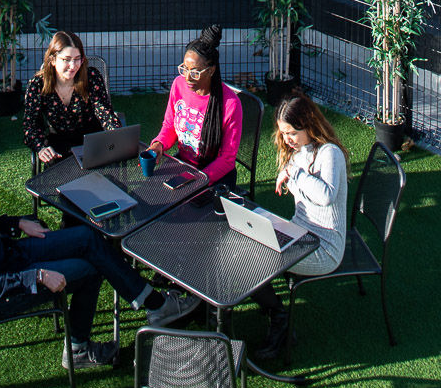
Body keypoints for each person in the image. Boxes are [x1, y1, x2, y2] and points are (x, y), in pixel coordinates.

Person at [0, 130, 196, 369]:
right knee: (90, 271)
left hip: (6, 253)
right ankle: (78, 349)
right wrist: (38, 276)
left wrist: (18, 223)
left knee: (87, 237)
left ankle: (152, 302)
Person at [251, 93, 349, 363]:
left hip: (325, 247)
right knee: (248, 243)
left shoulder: (330, 153)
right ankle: (276, 312)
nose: (287, 139)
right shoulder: (297, 154)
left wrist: (295, 174)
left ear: (310, 125)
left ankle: (279, 320)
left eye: (293, 132)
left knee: (256, 261)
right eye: (284, 133)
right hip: (300, 233)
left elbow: (326, 195)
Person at [147, 24, 242, 185]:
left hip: (213, 175)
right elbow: (170, 125)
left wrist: (197, 180)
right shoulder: (178, 85)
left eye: (195, 72)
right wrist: (159, 144)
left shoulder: (230, 104)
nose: (188, 77)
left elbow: (227, 160)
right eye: (185, 69)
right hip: (185, 165)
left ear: (211, 71)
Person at [23, 30, 119, 165]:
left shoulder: (91, 77)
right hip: (59, 145)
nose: (73, 66)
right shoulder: (37, 85)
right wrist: (41, 148)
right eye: (66, 60)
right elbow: (30, 124)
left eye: (77, 59)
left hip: (92, 142)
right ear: (53, 60)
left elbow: (105, 113)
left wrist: (115, 136)